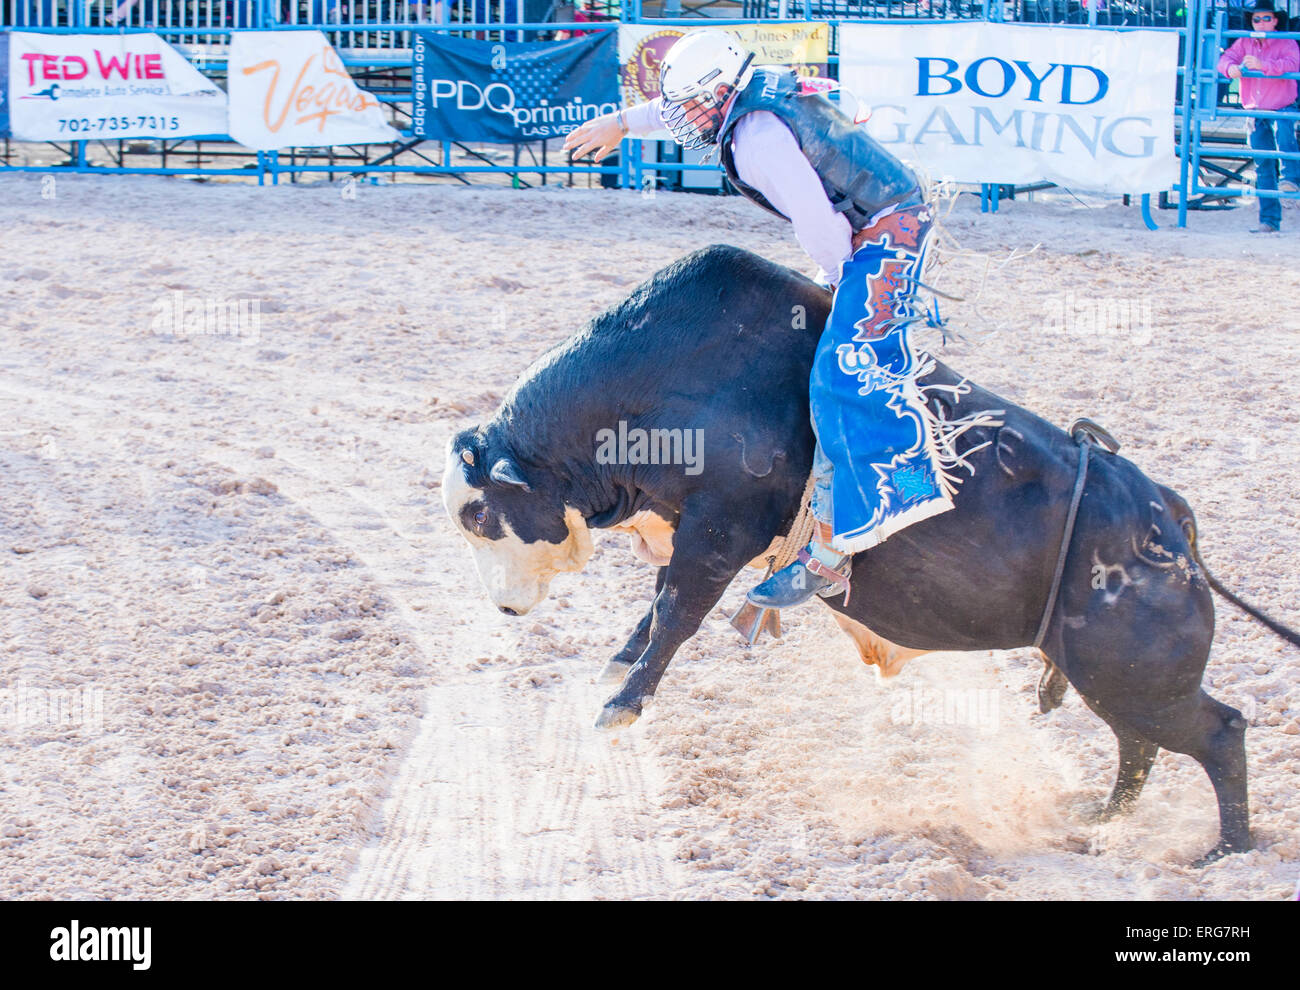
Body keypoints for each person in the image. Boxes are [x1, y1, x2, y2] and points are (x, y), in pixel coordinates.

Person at [563, 28, 989, 612]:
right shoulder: (745, 99)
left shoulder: (759, 138)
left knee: (846, 368)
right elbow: (812, 208)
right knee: (828, 350)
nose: (681, 118)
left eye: (690, 106)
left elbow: (815, 220)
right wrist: (624, 123)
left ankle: (842, 544)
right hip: (873, 220)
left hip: (888, 231)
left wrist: (842, 280)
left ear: (718, 95)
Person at [1217, 0, 1300, 233]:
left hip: (1281, 106)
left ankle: (1291, 180)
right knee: (1263, 164)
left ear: (1275, 21)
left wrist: (1264, 65)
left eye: (1266, 18)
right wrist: (1229, 69)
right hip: (1256, 109)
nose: (1261, 22)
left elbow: (1294, 63)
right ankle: (1269, 220)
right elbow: (1224, 60)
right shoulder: (1244, 42)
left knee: (1284, 138)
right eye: (1256, 19)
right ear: (1251, 22)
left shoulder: (1287, 41)